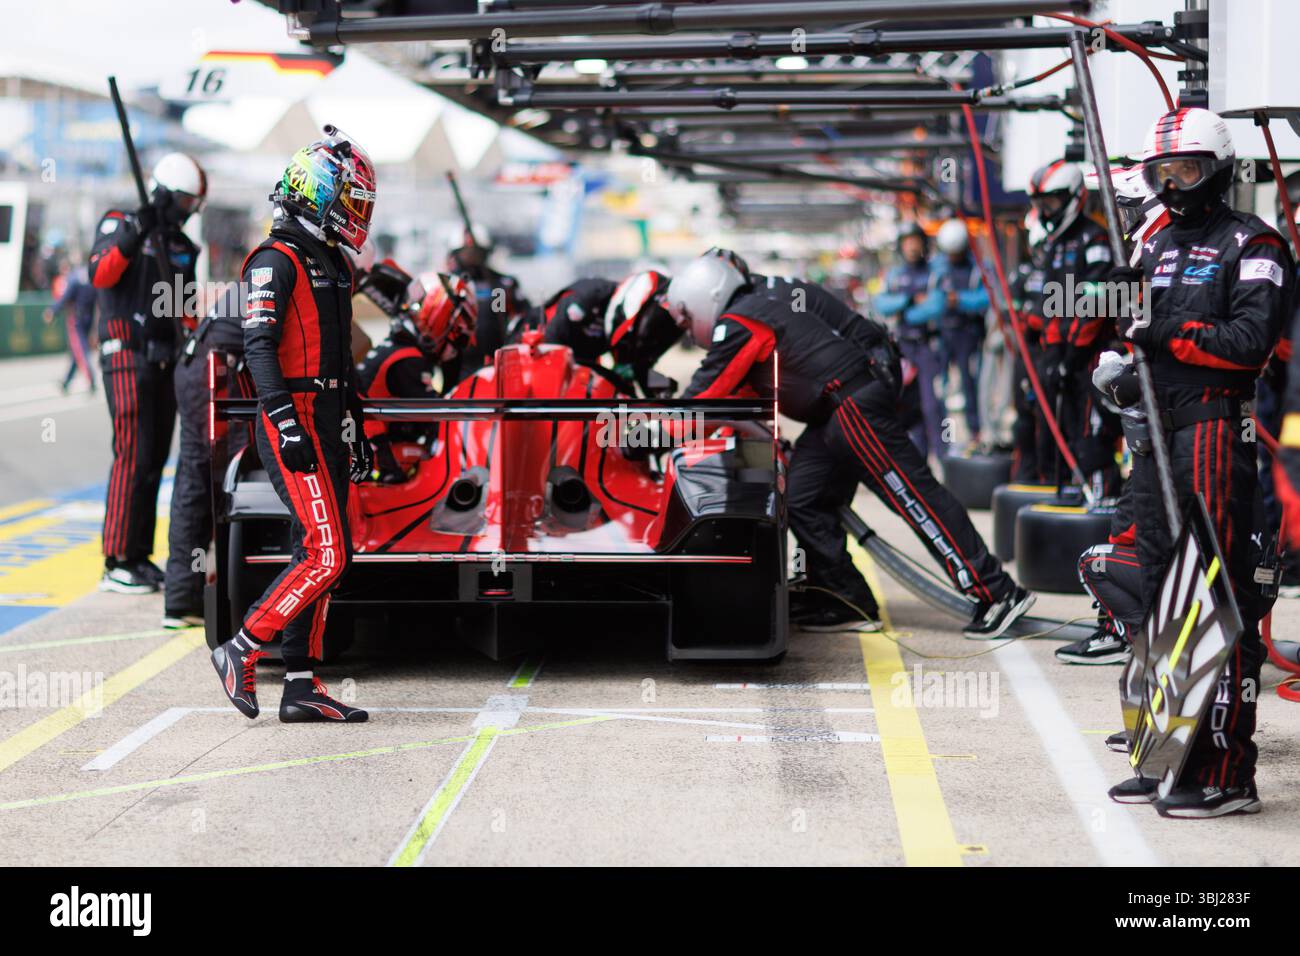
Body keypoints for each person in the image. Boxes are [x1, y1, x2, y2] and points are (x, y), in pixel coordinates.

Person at [665, 251, 1036, 639]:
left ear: (704, 296)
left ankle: (997, 592)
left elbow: (702, 399)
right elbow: (740, 397)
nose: (689, 330)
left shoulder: (742, 320)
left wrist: (641, 433)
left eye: (687, 317)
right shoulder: (768, 296)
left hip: (852, 403)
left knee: (913, 496)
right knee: (802, 497)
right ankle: (844, 599)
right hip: (839, 408)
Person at [1110, 107, 1292, 817]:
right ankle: (1160, 757)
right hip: (1156, 429)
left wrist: (1170, 331)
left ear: (1216, 170)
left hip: (1218, 429)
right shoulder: (1152, 244)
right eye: (1161, 172)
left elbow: (1249, 342)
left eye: (1183, 170)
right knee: (1156, 590)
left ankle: (1226, 773)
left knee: (1214, 593)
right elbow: (1135, 328)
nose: (1171, 183)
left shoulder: (1257, 244)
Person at [209, 127, 375, 724]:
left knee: (327, 550)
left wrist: (354, 423)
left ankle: (301, 685)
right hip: (293, 417)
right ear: (317, 191)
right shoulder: (273, 261)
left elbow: (341, 358)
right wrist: (284, 423)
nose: (357, 212)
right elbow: (258, 347)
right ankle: (242, 647)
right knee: (327, 553)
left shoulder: (330, 260)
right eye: (350, 198)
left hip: (328, 415)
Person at [89, 152, 206, 593]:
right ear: (165, 193)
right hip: (126, 354)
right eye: (184, 201)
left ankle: (138, 555)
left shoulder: (180, 247)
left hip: (165, 358)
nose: (188, 211)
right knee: (133, 455)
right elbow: (100, 273)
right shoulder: (120, 221)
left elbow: (186, 307)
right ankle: (115, 559)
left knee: (155, 459)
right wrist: (135, 232)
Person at [1021, 160, 1120, 495]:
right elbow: (1050, 304)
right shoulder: (1053, 244)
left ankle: (1099, 495)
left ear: (1072, 197)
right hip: (1059, 353)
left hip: (1090, 356)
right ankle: (1060, 488)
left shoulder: (1095, 239)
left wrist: (1073, 352)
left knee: (1091, 431)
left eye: (1050, 203)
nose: (1045, 211)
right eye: (1039, 205)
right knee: (1051, 426)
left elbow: (1098, 299)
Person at [161, 284, 246, 628]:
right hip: (214, 370)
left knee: (198, 477)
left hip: (202, 363)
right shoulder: (299, 269)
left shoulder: (277, 264)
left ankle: (185, 596)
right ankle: (188, 597)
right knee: (215, 478)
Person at [357, 273, 477, 481]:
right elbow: (440, 415)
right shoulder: (407, 360)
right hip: (377, 463)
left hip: (366, 450)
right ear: (439, 320)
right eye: (458, 337)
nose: (457, 349)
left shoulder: (397, 348)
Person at [873, 223, 943, 458]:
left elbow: (935, 307)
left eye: (916, 241)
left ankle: (943, 456)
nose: (912, 247)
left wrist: (905, 310)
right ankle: (913, 457)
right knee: (904, 406)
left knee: (932, 405)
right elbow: (881, 304)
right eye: (907, 241)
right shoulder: (894, 276)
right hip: (902, 349)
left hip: (928, 348)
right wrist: (910, 300)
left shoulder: (934, 273)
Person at [442, 224, 530, 386]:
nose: (472, 257)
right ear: (456, 254)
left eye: (476, 252)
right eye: (467, 252)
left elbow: (519, 318)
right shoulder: (447, 285)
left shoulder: (501, 285)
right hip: (458, 365)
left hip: (496, 362)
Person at [929, 218, 989, 448]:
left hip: (968, 334)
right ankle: (943, 436)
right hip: (943, 333)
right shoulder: (937, 268)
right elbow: (929, 298)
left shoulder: (977, 269)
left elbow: (987, 298)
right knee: (941, 384)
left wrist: (961, 300)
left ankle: (975, 432)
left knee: (969, 382)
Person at [55, 259, 97, 394]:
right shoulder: (91, 276)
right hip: (89, 317)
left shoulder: (75, 277)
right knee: (76, 352)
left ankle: (91, 379)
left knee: (80, 350)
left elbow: (65, 297)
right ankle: (67, 381)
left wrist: (52, 311)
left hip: (77, 319)